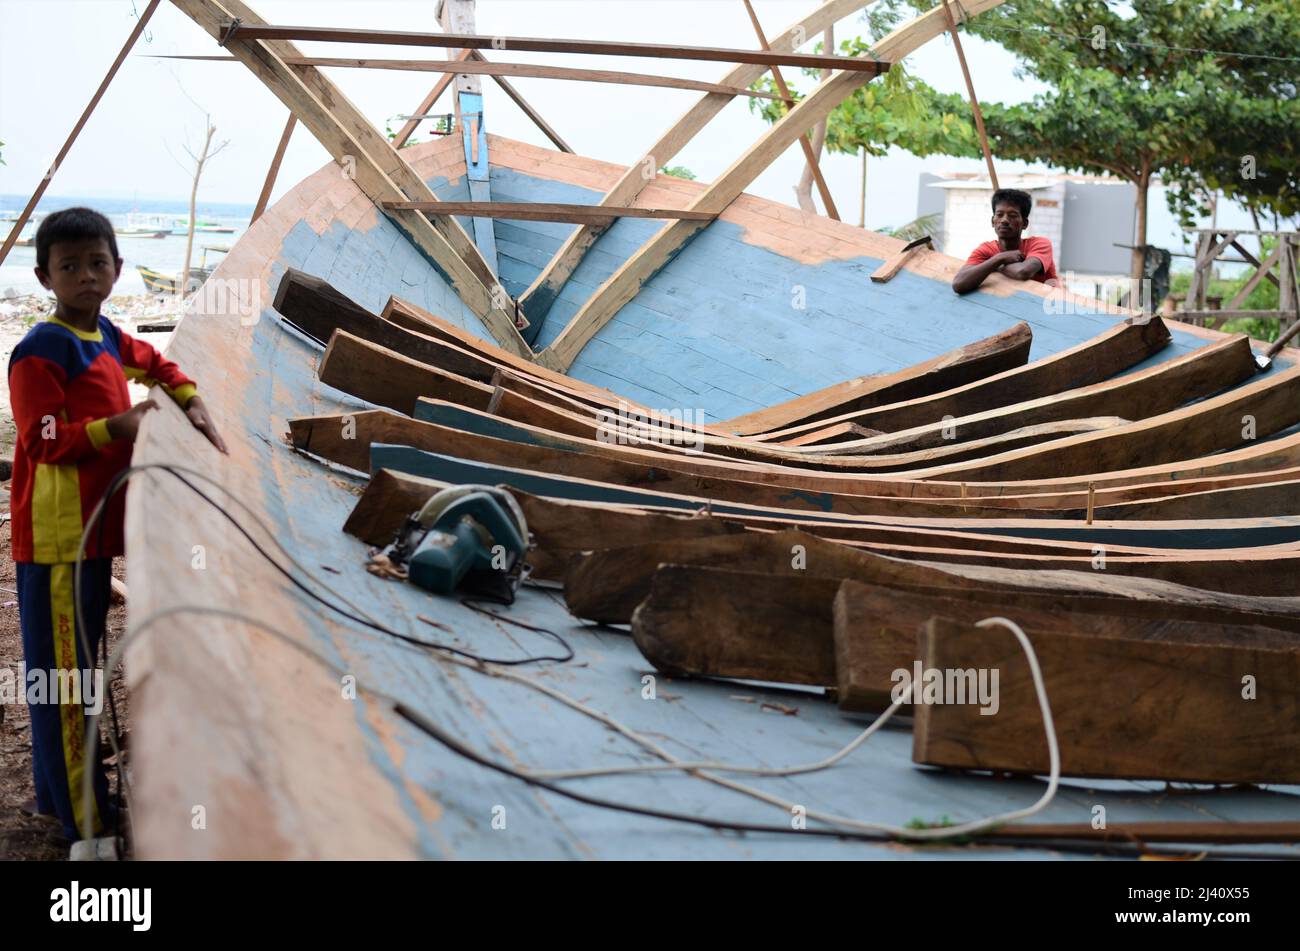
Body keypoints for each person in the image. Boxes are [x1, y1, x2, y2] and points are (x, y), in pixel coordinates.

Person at [7, 207, 226, 845]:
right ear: (45, 276)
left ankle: (59, 796)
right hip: (58, 544)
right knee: (67, 682)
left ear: (116, 269)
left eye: (96, 263)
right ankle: (84, 820)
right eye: (68, 266)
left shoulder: (101, 334)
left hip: (95, 535)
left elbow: (155, 362)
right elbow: (43, 439)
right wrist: (119, 428)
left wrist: (191, 400)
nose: (85, 276)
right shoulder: (39, 351)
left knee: (72, 674)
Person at [951, 188, 1059, 294]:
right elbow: (958, 284)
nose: (1004, 220)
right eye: (999, 215)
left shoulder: (1040, 244)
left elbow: (1023, 272)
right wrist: (999, 258)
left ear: (1025, 223)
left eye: (1012, 216)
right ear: (993, 221)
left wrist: (995, 267)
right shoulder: (986, 249)